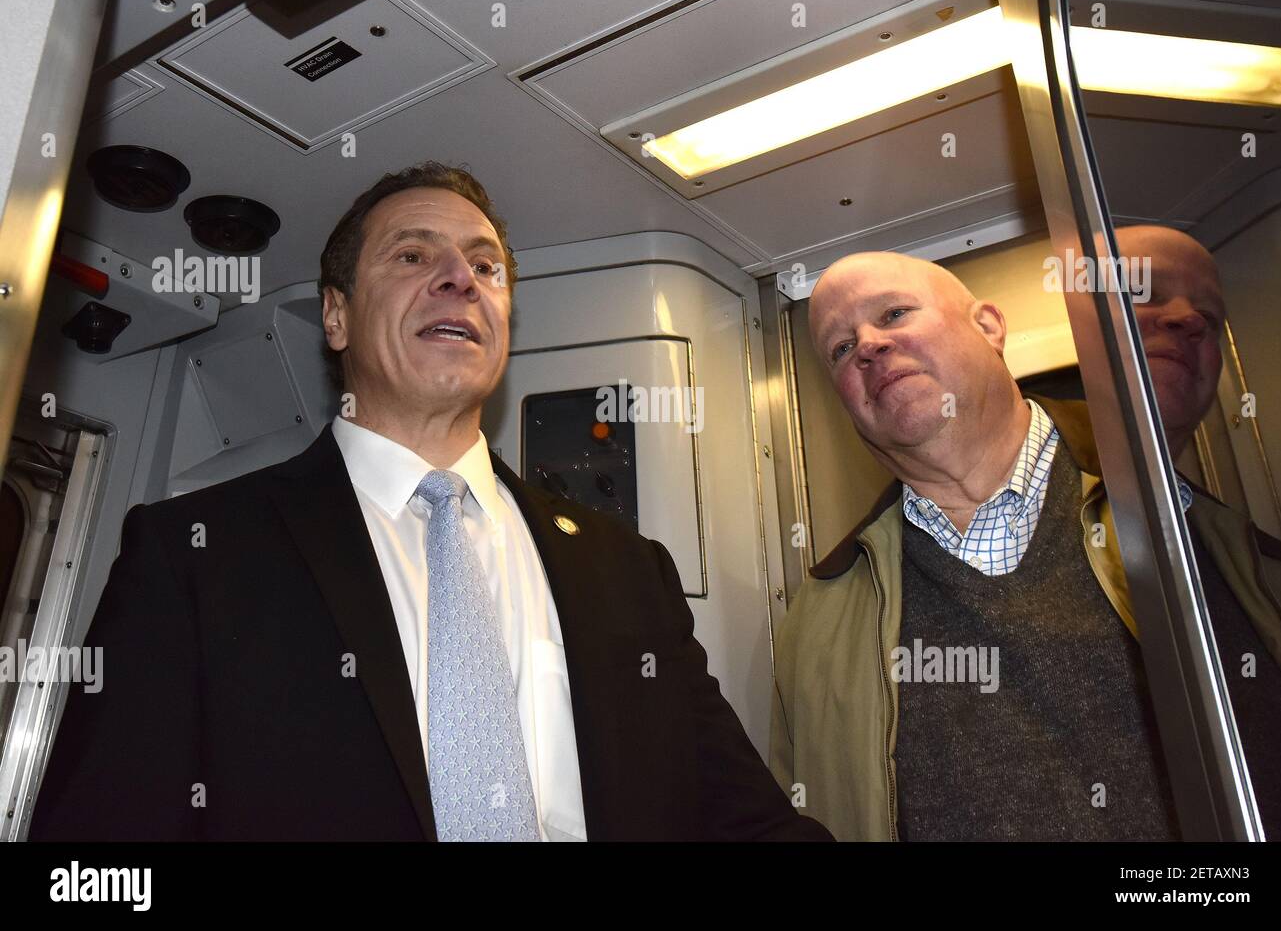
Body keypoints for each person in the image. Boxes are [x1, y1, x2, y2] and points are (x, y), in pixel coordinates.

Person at [30, 161, 830, 842]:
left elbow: (745, 824)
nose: (459, 279)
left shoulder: (626, 569)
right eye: (413, 256)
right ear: (335, 315)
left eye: (486, 268)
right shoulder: (197, 552)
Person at [769, 249, 1281, 841]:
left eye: (893, 315)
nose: (867, 344)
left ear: (989, 327)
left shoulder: (1189, 529)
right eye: (841, 348)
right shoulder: (814, 631)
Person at [1119, 224, 1281, 839]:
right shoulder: (988, 536)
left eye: (1209, 316)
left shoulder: (1265, 567)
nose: (1188, 320)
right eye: (1146, 293)